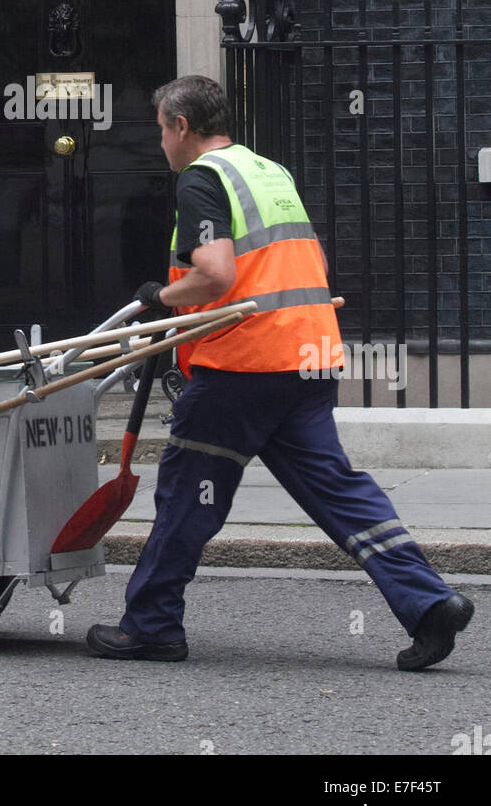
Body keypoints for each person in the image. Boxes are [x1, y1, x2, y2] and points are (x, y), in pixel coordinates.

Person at [87, 74, 474, 668]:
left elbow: (215, 273)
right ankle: (430, 604)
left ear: (182, 127)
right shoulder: (268, 172)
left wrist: (162, 298)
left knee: (188, 495)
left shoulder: (202, 179)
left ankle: (152, 625)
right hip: (306, 357)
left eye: (162, 129)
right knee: (340, 492)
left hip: (243, 366)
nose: (161, 143)